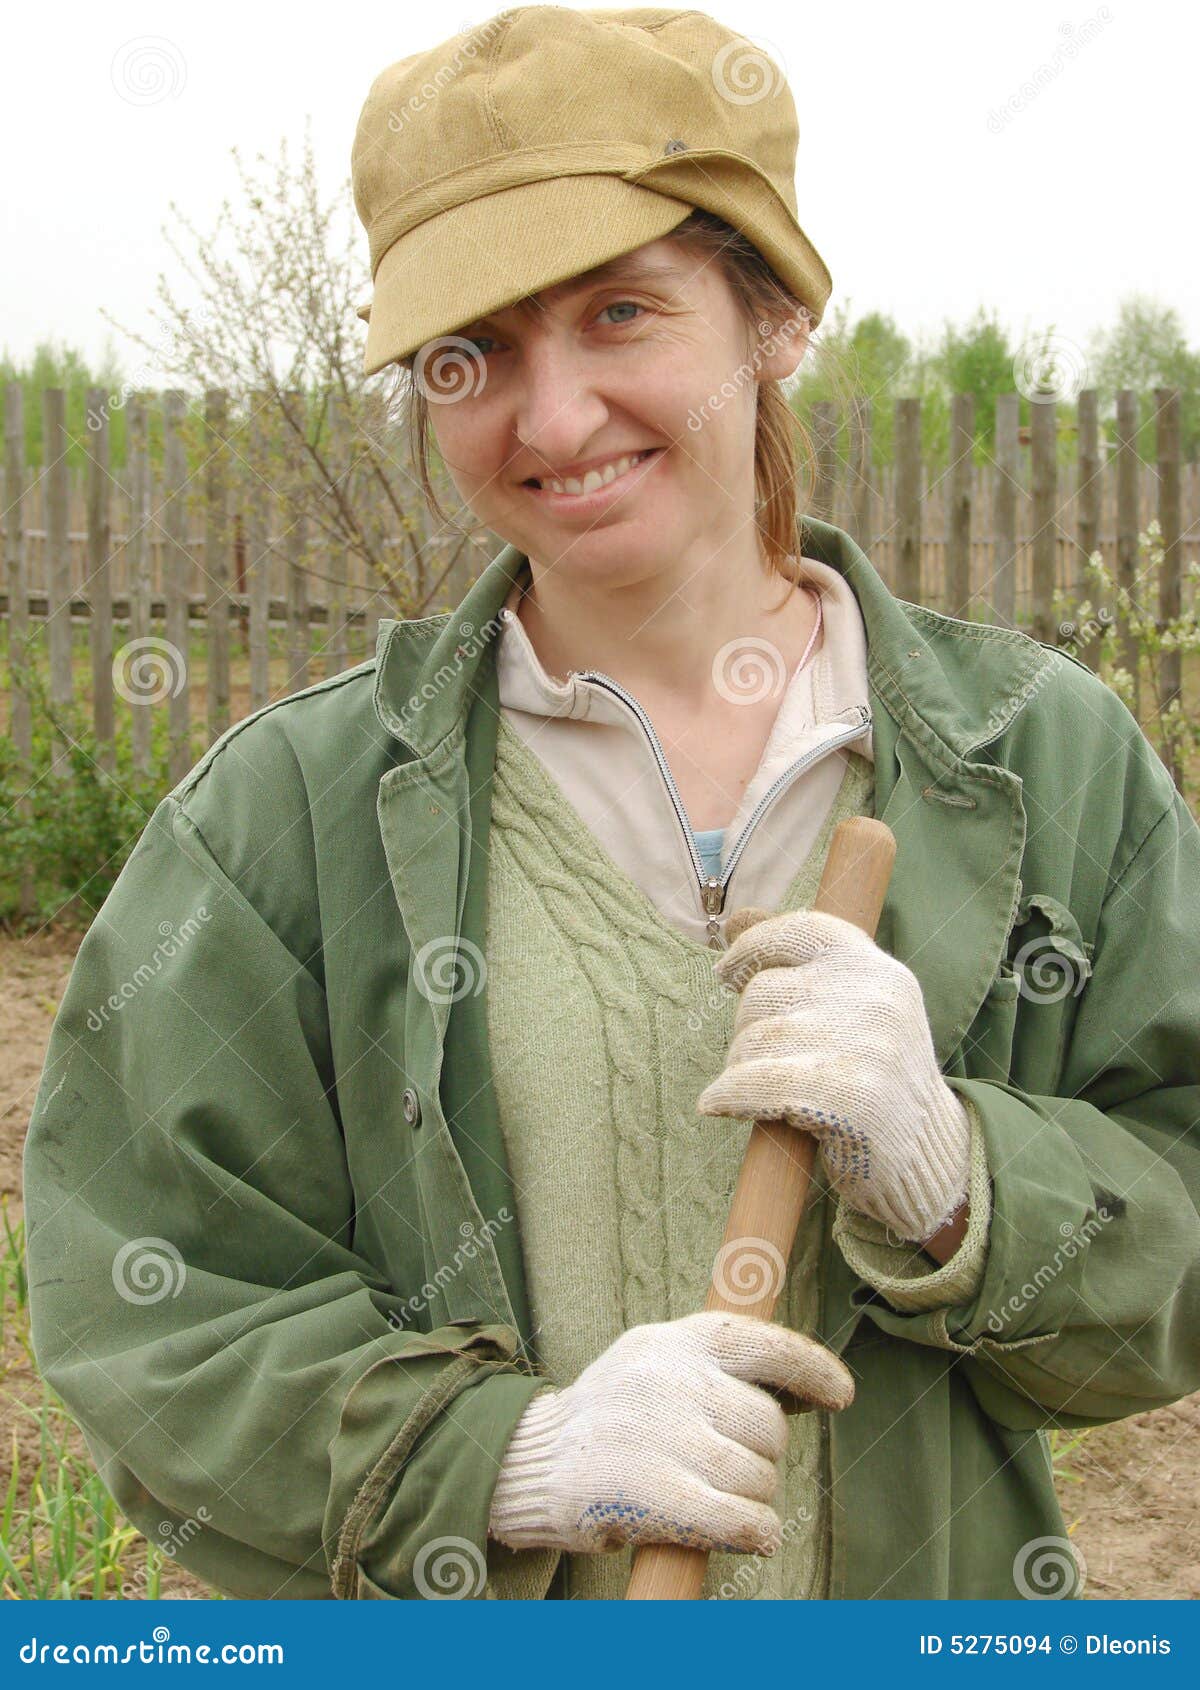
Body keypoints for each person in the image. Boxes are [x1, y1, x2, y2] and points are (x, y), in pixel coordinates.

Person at [23, 6, 1200, 1604]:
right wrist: (503, 1455)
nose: (554, 417)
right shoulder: (283, 822)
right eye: (474, 355)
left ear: (773, 316)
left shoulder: (1046, 762)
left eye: (622, 313)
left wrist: (962, 1176)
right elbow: (149, 1303)